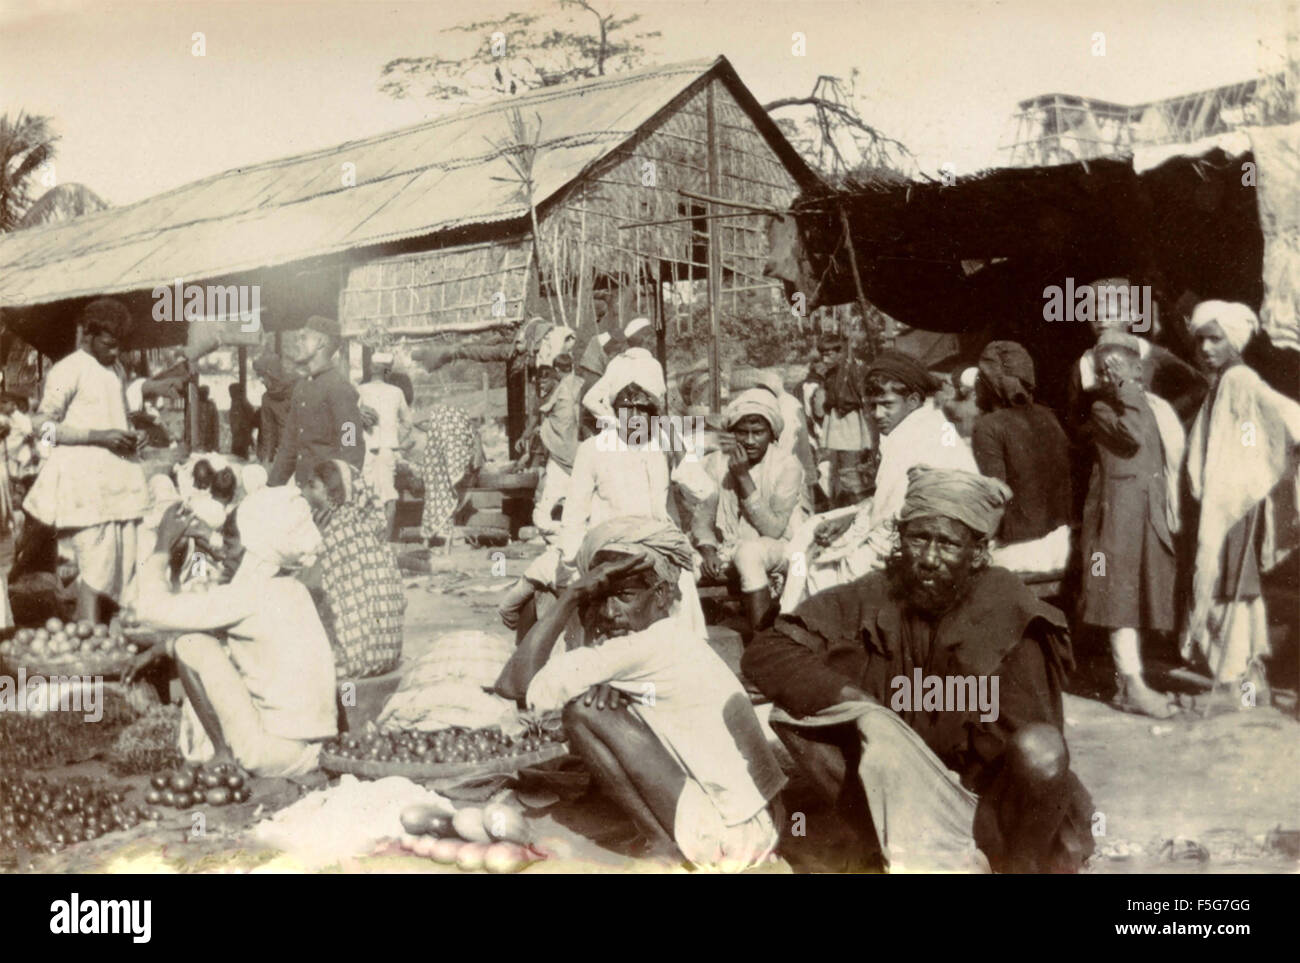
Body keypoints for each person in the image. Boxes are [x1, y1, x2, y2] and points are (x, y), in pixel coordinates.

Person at [743, 467, 1095, 873]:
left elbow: (1033, 751)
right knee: (794, 714)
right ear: (900, 539)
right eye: (918, 538)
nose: (929, 558)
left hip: (989, 805)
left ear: (978, 552)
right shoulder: (877, 591)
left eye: (947, 544)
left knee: (1041, 751)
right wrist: (860, 704)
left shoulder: (1008, 607)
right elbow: (766, 651)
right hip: (902, 797)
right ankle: (888, 846)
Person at [494, 517, 786, 870]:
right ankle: (671, 835)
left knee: (582, 712)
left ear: (661, 595)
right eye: (601, 599)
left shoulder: (643, 647)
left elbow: (514, 685)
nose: (610, 612)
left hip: (733, 839)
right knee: (597, 703)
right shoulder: (677, 637)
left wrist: (573, 595)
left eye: (625, 596)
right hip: (766, 821)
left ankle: (663, 844)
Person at [125, 487, 336, 777]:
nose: (224, 550)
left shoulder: (246, 595)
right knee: (207, 644)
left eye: (231, 540)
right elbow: (237, 555)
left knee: (190, 642)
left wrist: (162, 545)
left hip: (269, 754)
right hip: (315, 747)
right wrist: (157, 650)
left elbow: (149, 610)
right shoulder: (294, 588)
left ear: (254, 545)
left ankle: (223, 754)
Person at [779, 350, 977, 612]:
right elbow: (890, 499)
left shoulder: (916, 437)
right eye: (872, 406)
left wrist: (855, 531)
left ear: (914, 400)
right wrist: (851, 518)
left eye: (887, 404)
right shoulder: (927, 425)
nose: (877, 414)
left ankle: (804, 624)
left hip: (927, 538)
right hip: (922, 530)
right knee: (816, 528)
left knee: (815, 560)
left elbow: (892, 515)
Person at [1182, 301, 1300, 702]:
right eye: (1200, 339)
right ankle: (1252, 684)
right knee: (1237, 586)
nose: (1206, 348)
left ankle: (1232, 682)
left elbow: (1275, 413)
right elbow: (1245, 429)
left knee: (1224, 585)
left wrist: (1252, 466)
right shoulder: (1221, 383)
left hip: (1229, 500)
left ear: (1233, 339)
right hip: (1225, 496)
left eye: (1215, 339)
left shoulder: (1239, 379)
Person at [26, 298, 150, 623]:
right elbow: (42, 430)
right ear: (89, 336)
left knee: (120, 571)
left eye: (119, 347)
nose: (114, 353)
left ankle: (110, 644)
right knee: (95, 571)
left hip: (119, 488)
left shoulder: (116, 370)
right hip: (86, 492)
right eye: (108, 345)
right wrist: (98, 436)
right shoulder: (69, 370)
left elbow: (118, 419)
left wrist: (133, 434)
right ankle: (88, 641)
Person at [1080, 332, 1184, 717]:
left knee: (1138, 592)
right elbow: (1134, 435)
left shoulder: (1145, 403)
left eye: (1122, 372)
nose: (1114, 380)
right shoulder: (1103, 410)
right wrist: (1124, 386)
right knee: (1117, 595)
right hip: (1115, 516)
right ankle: (1131, 684)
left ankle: (1133, 681)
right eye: (1107, 373)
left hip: (1143, 512)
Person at [692, 388, 806, 638]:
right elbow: (703, 520)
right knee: (680, 562)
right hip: (728, 546)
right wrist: (709, 550)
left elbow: (773, 529)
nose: (751, 441)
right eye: (743, 432)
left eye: (758, 432)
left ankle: (763, 643)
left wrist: (743, 477)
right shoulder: (716, 463)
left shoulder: (787, 465)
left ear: (772, 434)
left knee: (748, 553)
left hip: (781, 547)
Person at [970, 342, 1073, 574]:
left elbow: (994, 497)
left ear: (988, 384)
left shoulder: (988, 426)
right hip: (1063, 543)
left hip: (1020, 551)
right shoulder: (1049, 416)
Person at [302, 459, 405, 680]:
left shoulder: (336, 534)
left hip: (352, 657)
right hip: (386, 651)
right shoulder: (366, 531)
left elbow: (307, 589)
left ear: (332, 493)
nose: (305, 493)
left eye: (312, 486)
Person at [268, 316, 365, 487]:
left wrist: (336, 496)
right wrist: (272, 488)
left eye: (303, 337)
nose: (297, 343)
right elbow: (289, 447)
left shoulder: (339, 388)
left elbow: (351, 448)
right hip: (305, 490)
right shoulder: (302, 387)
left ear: (320, 343)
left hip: (328, 496)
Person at [357, 351, 412, 537]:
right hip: (387, 450)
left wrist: (348, 444)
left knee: (364, 494)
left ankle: (367, 539)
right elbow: (407, 423)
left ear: (371, 370)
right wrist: (396, 439)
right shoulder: (397, 392)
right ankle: (386, 541)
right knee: (389, 496)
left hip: (365, 450)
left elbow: (347, 421)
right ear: (387, 372)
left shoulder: (359, 390)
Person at [416, 405, 483, 548]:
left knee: (435, 502)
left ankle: (431, 541)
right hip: (449, 479)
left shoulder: (445, 438)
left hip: (439, 482)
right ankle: (442, 541)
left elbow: (416, 422)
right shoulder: (461, 436)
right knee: (445, 502)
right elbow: (476, 462)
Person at [821, 333, 873, 507]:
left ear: (839, 352)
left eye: (829, 354)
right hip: (838, 420)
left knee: (849, 467)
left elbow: (861, 396)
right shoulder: (831, 373)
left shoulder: (852, 370)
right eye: (823, 354)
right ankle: (843, 501)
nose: (825, 358)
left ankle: (856, 504)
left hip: (848, 422)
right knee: (838, 466)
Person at [582, 318, 666, 425]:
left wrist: (614, 422)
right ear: (647, 339)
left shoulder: (616, 363)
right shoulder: (654, 365)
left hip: (621, 429)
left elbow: (589, 400)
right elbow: (660, 403)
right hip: (650, 429)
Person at [253, 353, 295, 465]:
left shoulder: (299, 389)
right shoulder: (267, 399)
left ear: (272, 374)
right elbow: (268, 433)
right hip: (283, 456)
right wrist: (266, 461)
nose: (261, 380)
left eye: (262, 375)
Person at [227, 383, 257, 460]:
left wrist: (246, 432)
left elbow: (251, 418)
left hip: (241, 437)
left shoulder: (242, 403)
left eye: (232, 392)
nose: (230, 394)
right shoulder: (235, 402)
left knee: (240, 457)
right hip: (237, 436)